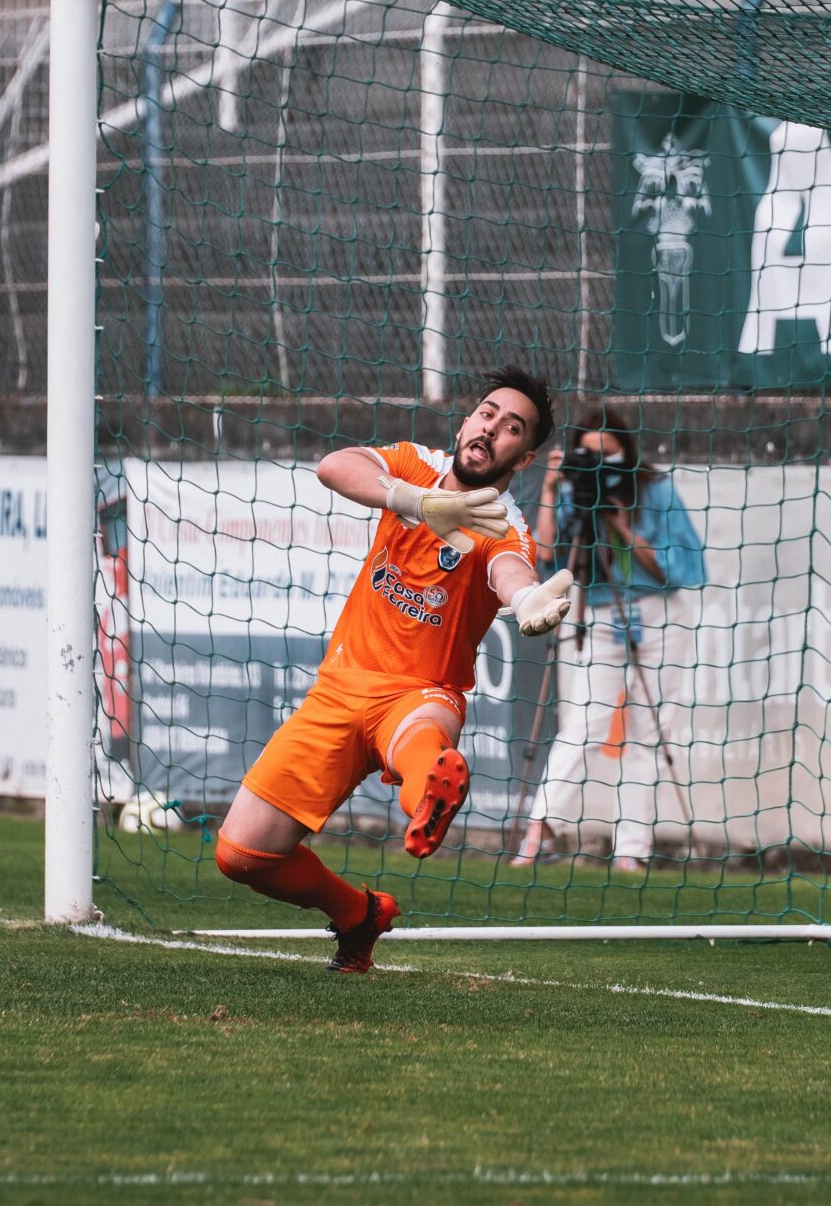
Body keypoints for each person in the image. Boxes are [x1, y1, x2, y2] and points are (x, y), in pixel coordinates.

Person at [214, 367, 575, 973]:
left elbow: (510, 570)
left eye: (512, 428)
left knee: (426, 752)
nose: (492, 429)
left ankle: (434, 787)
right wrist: (412, 499)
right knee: (242, 855)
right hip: (338, 692)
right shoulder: (414, 465)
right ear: (467, 422)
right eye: (487, 414)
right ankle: (360, 914)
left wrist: (528, 599)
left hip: (420, 695)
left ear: (525, 455)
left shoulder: (502, 526)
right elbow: (335, 466)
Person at [511, 403, 706, 871]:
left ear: (627, 453)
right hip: (598, 613)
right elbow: (548, 556)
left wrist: (621, 524)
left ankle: (631, 854)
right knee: (584, 724)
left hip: (659, 614)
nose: (598, 467)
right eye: (589, 456)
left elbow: (679, 568)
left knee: (648, 733)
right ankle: (538, 834)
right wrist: (557, 486)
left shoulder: (655, 489)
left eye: (608, 457)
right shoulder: (575, 491)